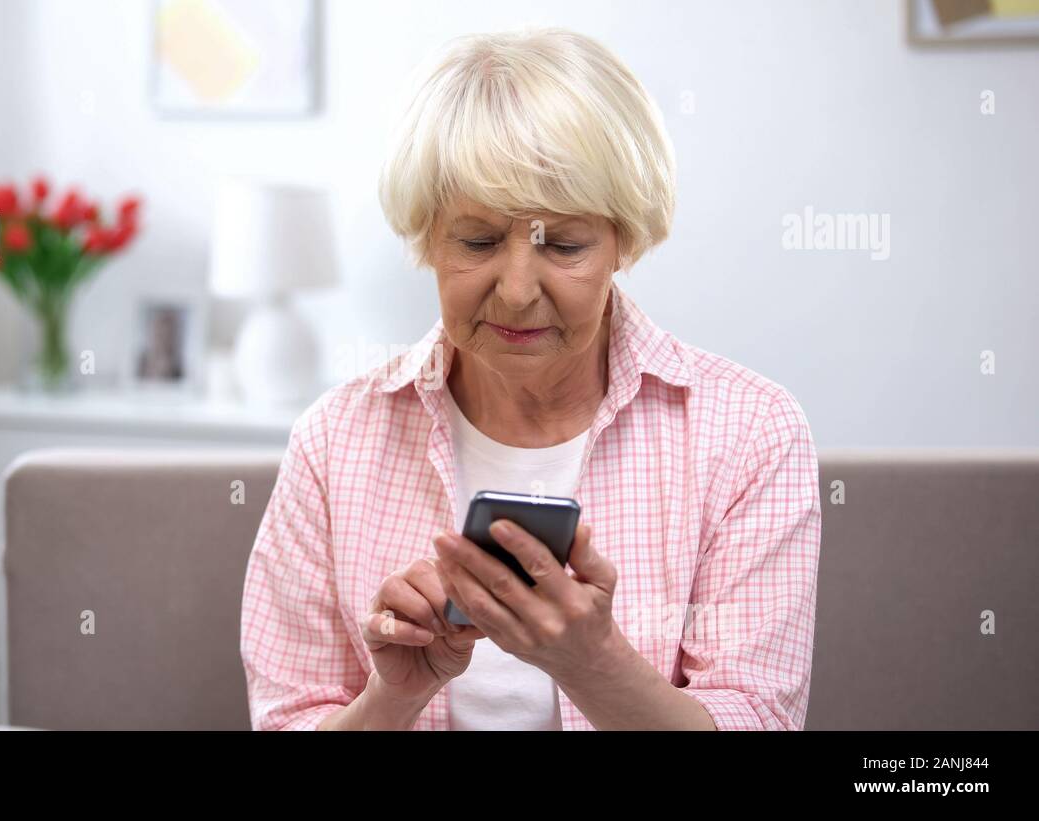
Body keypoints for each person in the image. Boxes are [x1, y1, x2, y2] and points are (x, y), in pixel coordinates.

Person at [240, 28, 821, 730]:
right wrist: (392, 696)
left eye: (566, 244)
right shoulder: (335, 440)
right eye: (477, 241)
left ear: (623, 242)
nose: (516, 290)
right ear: (427, 238)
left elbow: (760, 720)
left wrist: (595, 663)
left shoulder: (751, 432)